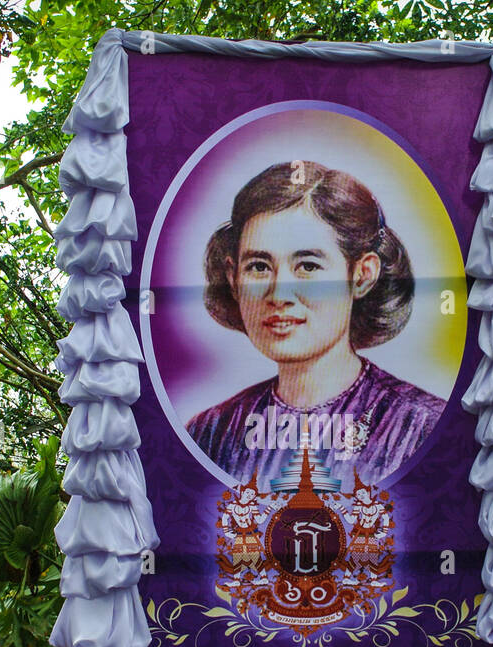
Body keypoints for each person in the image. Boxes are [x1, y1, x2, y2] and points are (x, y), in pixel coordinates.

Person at [186, 161, 445, 489]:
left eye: (307, 265)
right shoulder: (210, 433)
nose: (279, 294)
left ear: (362, 275)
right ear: (232, 278)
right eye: (259, 266)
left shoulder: (420, 427)